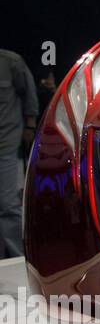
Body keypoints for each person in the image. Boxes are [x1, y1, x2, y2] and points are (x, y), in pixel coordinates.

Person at [0, 47, 39, 258]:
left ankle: (16, 258)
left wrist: (30, 126)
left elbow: (29, 94)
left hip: (6, 141)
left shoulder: (11, 61)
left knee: (7, 205)